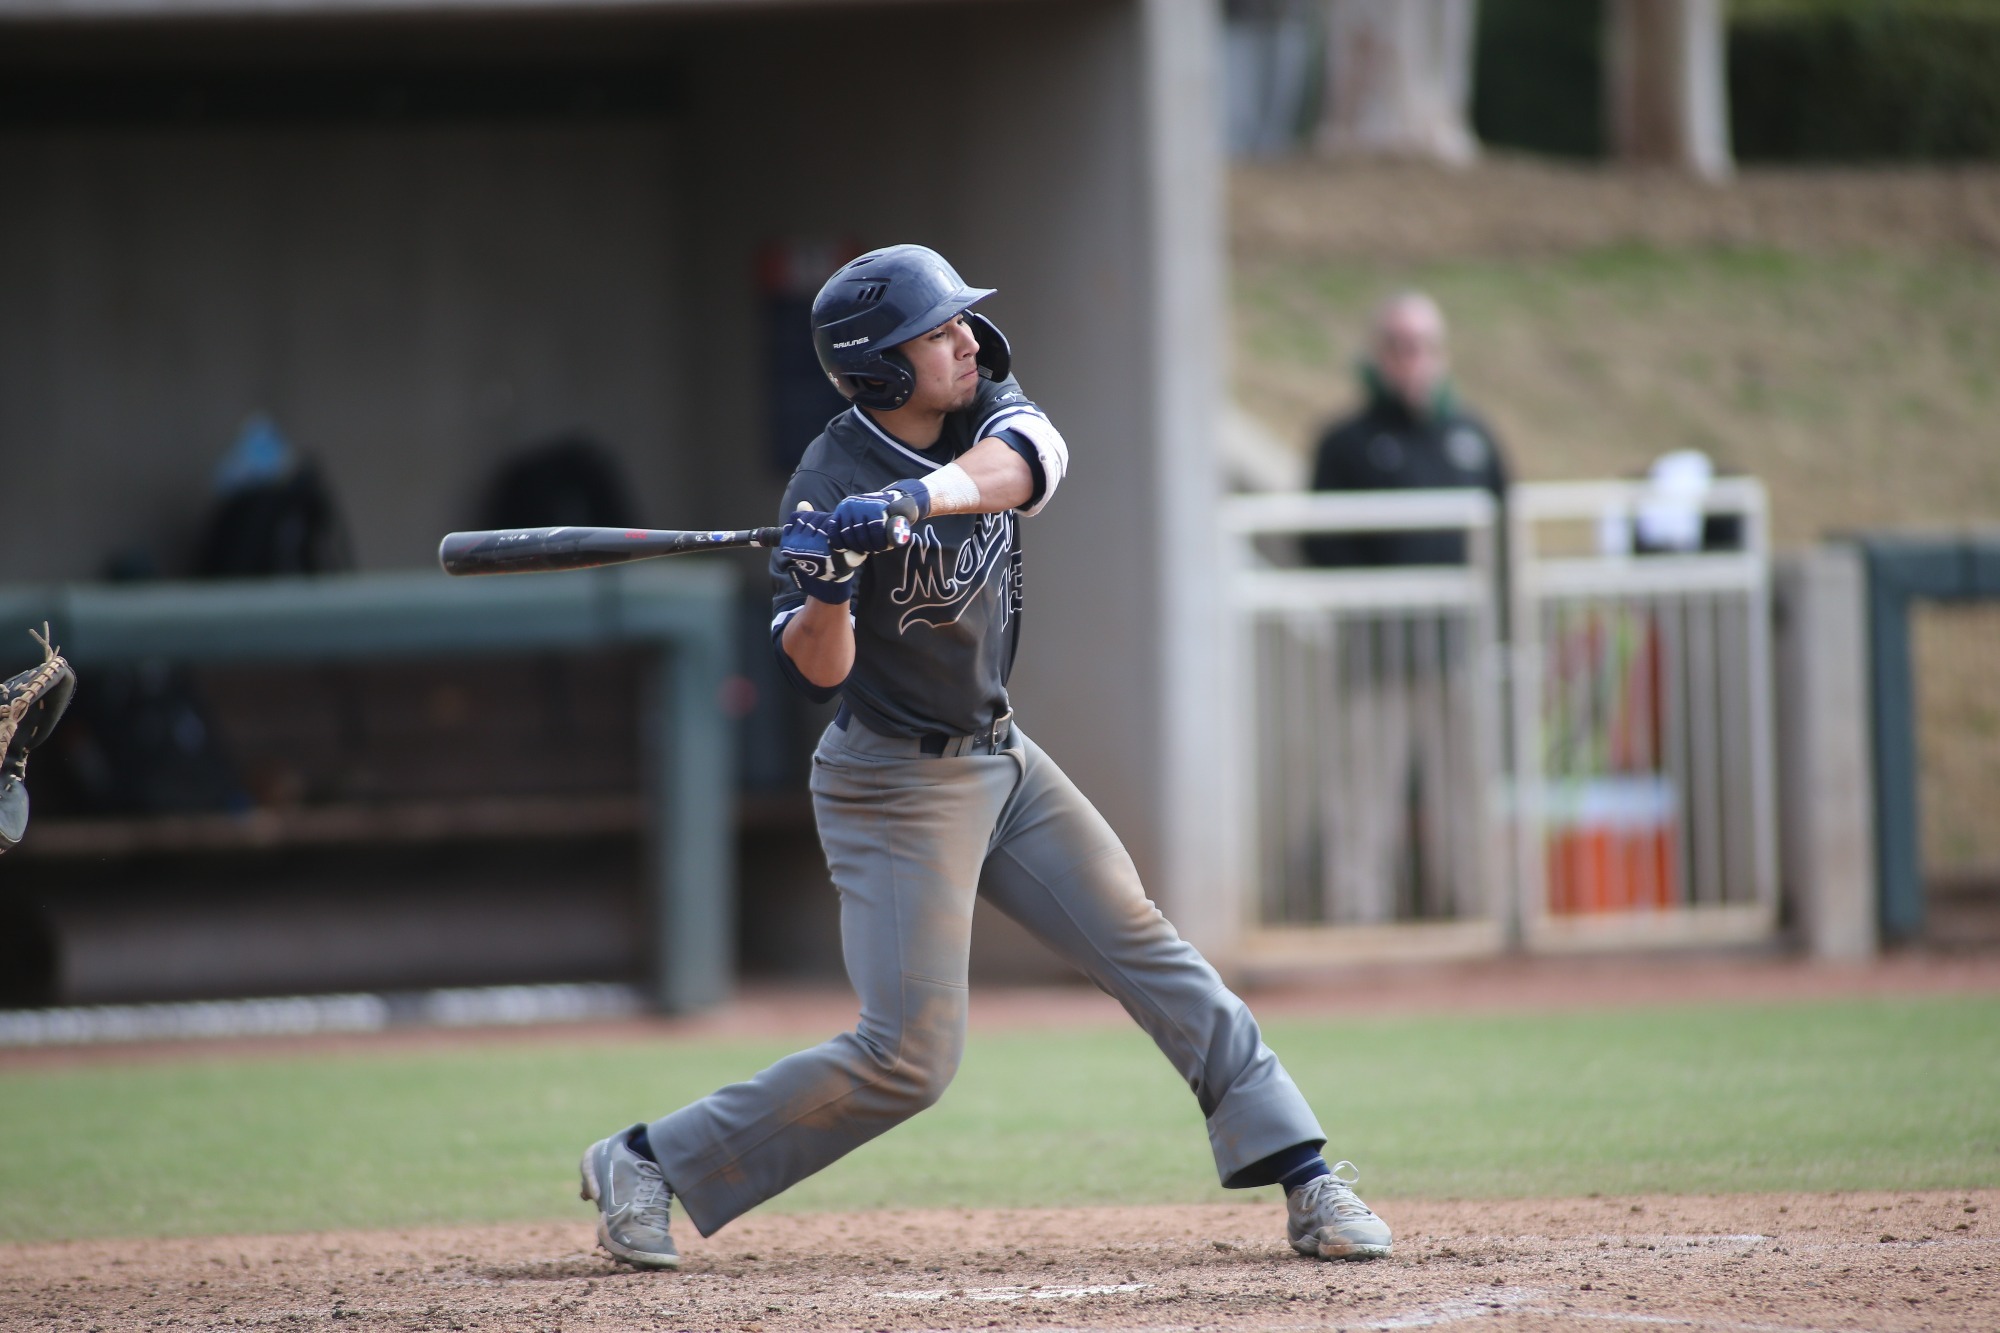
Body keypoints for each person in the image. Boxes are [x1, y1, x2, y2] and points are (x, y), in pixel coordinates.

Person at [575, 244, 1392, 1270]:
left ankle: (1306, 1176)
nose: (965, 338)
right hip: (892, 784)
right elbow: (817, 673)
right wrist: (828, 584)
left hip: (1002, 759)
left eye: (961, 321)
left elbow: (1033, 462)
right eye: (937, 329)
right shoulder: (823, 482)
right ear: (877, 366)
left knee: (1143, 944)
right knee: (908, 1057)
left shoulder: (980, 407)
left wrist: (914, 505)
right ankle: (647, 1160)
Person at [1302, 293, 1509, 923]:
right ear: (1377, 355)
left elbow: (1505, 541)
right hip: (1376, 657)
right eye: (1397, 345)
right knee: (1364, 796)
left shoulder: (1474, 439)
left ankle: (1480, 921)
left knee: (1468, 795)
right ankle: (1357, 924)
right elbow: (1319, 542)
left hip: (1457, 652)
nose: (1410, 359)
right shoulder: (1344, 442)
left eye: (1421, 345)